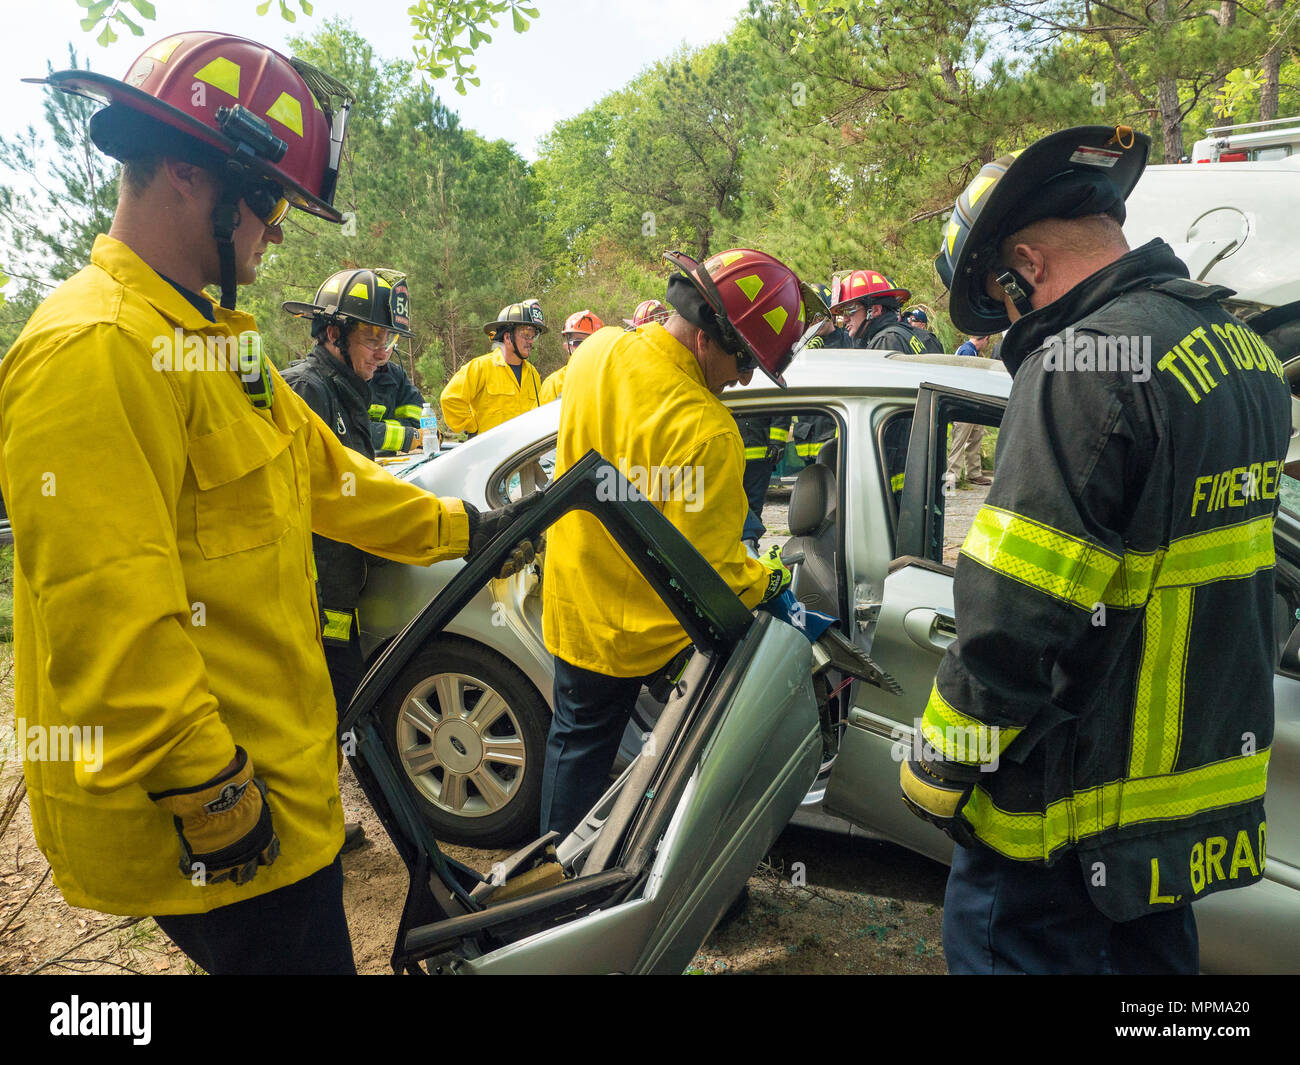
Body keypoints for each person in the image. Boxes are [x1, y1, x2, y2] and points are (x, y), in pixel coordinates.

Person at [0, 32, 514, 976]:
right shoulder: (95, 348)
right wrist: (212, 791)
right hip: (212, 823)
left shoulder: (219, 343)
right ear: (196, 177)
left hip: (283, 782)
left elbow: (332, 484)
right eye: (273, 200)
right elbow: (106, 616)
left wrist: (466, 528)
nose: (278, 230)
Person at [906, 125, 1291, 974]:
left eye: (1004, 302)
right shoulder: (1244, 353)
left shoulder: (1080, 362)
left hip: (1064, 821)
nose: (1014, 326)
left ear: (1026, 266)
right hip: (1176, 813)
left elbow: (1016, 607)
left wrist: (939, 763)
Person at [539, 247, 821, 838]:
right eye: (743, 359)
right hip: (651, 632)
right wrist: (770, 582)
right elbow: (711, 572)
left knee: (576, 744)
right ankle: (678, 875)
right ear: (705, 337)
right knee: (693, 754)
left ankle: (557, 884)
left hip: (573, 604)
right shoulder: (708, 430)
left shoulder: (597, 350)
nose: (744, 378)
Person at [280, 268, 414, 857]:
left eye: (387, 340)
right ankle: (312, 834)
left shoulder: (350, 386)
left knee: (336, 707)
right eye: (371, 339)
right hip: (311, 589)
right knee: (328, 709)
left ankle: (323, 825)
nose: (382, 352)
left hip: (338, 586)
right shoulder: (309, 390)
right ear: (332, 334)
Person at [440, 301, 545, 436]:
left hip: (523, 453)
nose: (530, 341)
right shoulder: (480, 367)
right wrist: (473, 428)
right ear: (507, 337)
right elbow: (450, 399)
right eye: (526, 334)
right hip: (490, 454)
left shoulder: (533, 374)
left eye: (533, 336)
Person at [829, 269, 943, 353]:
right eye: (842, 313)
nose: (844, 319)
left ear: (875, 310)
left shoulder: (885, 342)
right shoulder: (900, 334)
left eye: (850, 310)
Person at [540, 309, 603, 403]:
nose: (586, 348)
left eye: (591, 342)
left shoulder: (608, 380)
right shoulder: (553, 384)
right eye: (578, 343)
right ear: (567, 347)